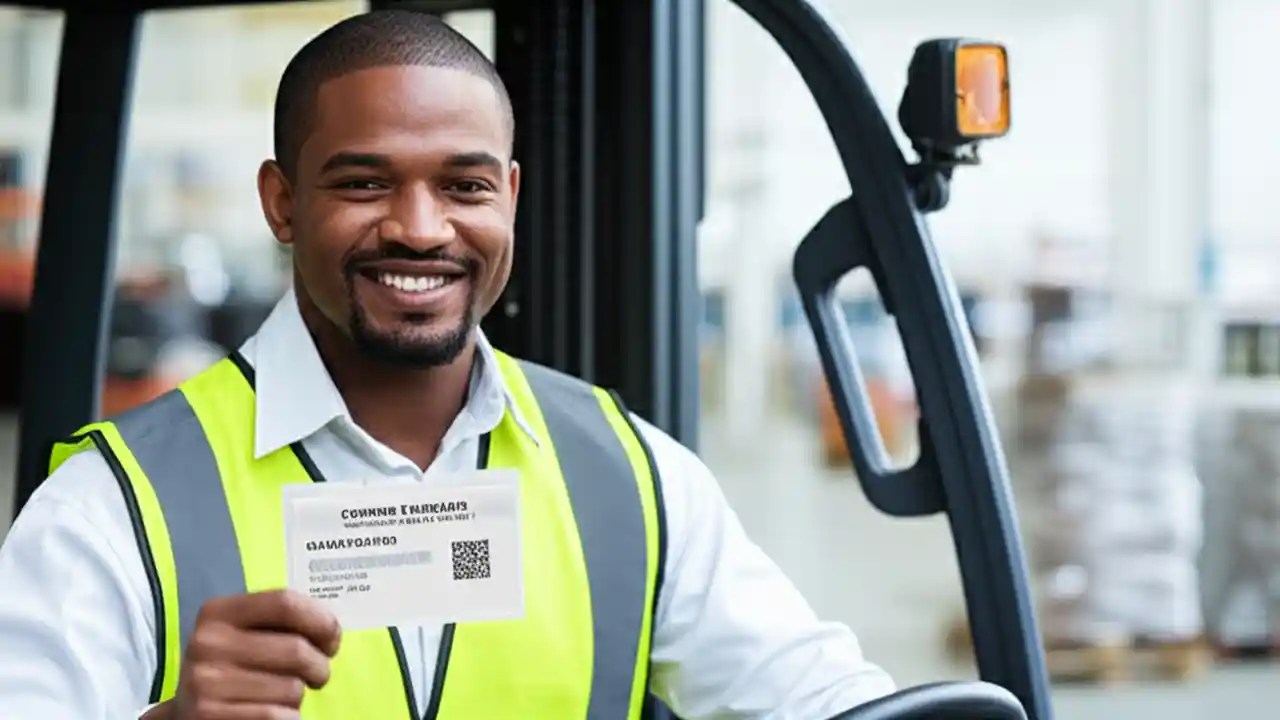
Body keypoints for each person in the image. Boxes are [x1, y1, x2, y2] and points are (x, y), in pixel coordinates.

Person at [0, 9, 895, 719]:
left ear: (509, 196)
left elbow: (818, 696)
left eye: (464, 186)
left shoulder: (633, 479)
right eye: (364, 183)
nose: (421, 229)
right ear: (281, 202)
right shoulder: (110, 507)